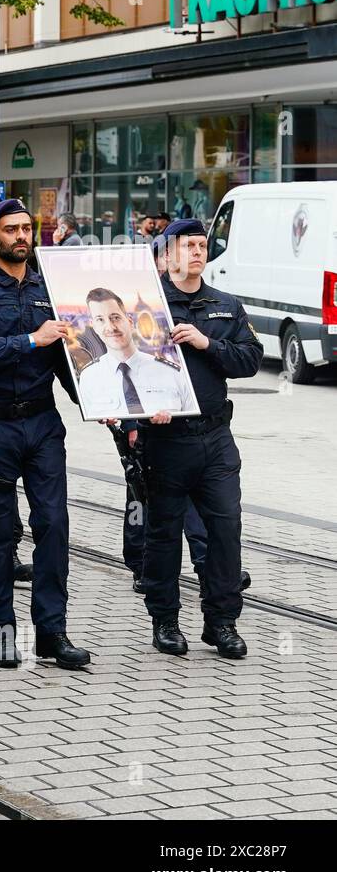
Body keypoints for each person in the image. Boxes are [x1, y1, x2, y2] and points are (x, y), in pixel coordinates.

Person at [0, 199, 90, 670]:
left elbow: (71, 360)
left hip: (42, 423)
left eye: (27, 228)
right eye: (11, 229)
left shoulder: (49, 291)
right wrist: (33, 339)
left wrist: (104, 404)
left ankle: (52, 633)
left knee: (54, 526)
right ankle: (1, 635)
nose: (21, 236)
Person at [139, 218, 262, 659]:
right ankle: (165, 621)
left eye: (202, 244)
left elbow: (250, 359)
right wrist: (134, 418)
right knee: (164, 533)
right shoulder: (147, 306)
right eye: (187, 245)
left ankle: (222, 622)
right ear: (168, 254)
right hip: (166, 439)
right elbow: (124, 366)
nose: (196, 251)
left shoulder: (225, 305)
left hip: (215, 439)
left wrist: (206, 343)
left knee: (226, 530)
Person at [77, 287, 195, 416]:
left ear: (129, 322)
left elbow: (192, 420)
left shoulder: (171, 372)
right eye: (100, 320)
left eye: (115, 317)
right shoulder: (89, 377)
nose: (110, 327)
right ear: (93, 327)